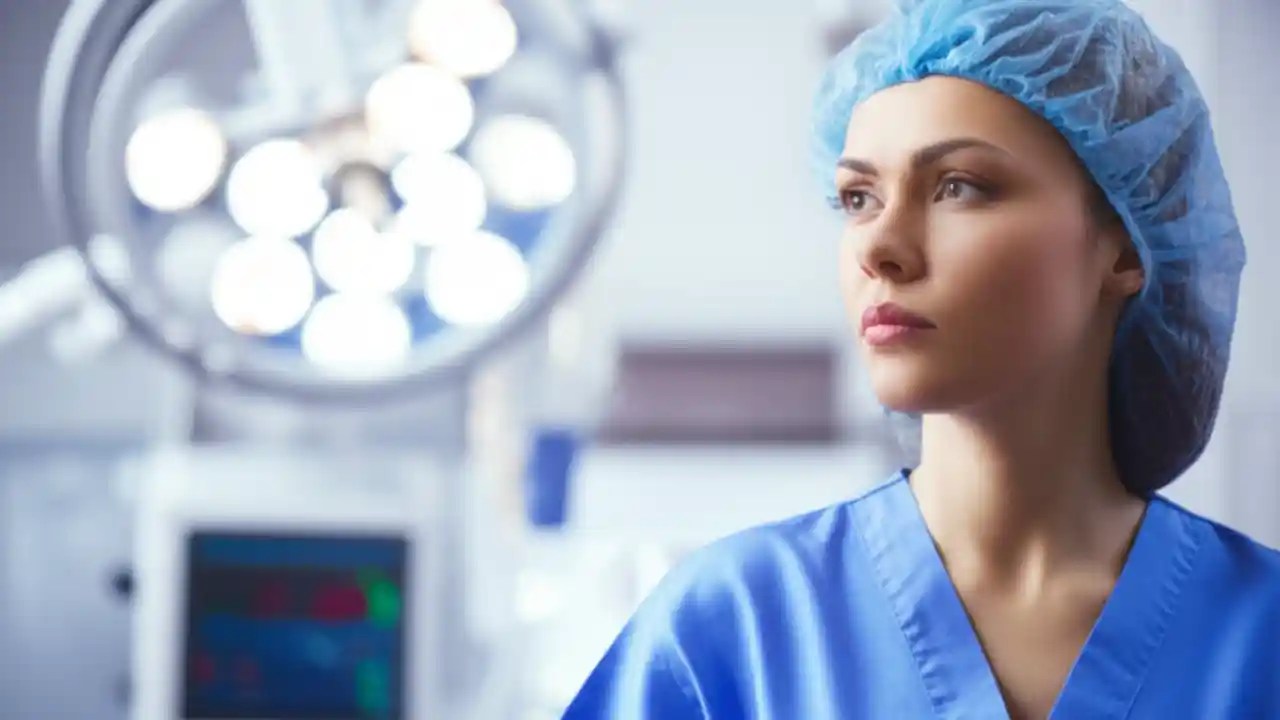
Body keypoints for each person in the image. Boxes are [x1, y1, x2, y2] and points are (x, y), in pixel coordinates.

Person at [562, 0, 1280, 717]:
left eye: (958, 187)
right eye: (858, 198)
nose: (879, 247)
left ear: (1125, 243)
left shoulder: (1261, 640)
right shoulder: (732, 632)